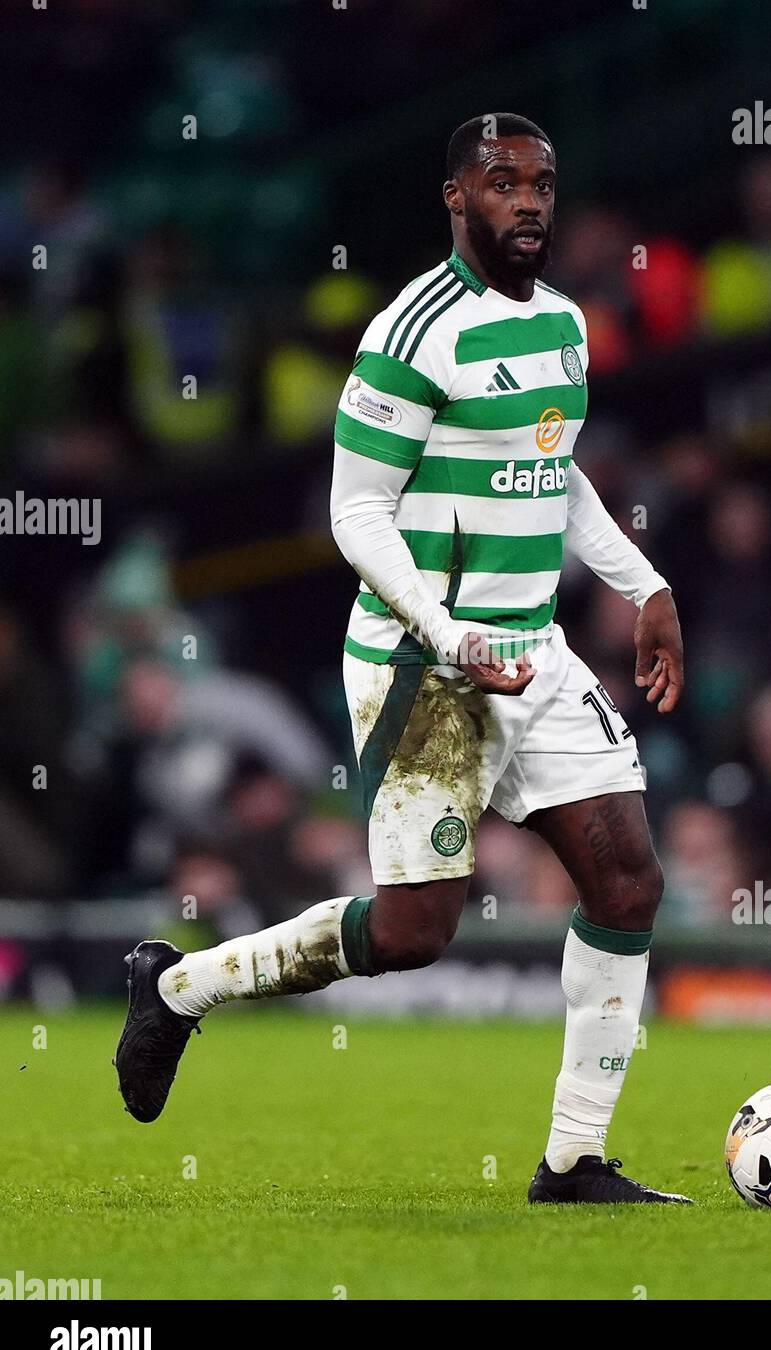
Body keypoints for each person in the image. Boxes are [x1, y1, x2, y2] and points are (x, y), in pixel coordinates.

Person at [114, 114, 690, 1206]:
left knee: (628, 879)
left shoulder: (566, 328)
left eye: (542, 184)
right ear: (455, 197)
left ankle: (574, 1159)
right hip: (426, 668)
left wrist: (644, 583)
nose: (527, 200)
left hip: (539, 653)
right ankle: (178, 985)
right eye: (502, 182)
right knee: (414, 930)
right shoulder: (410, 334)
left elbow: (554, 475)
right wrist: (445, 629)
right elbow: (357, 513)